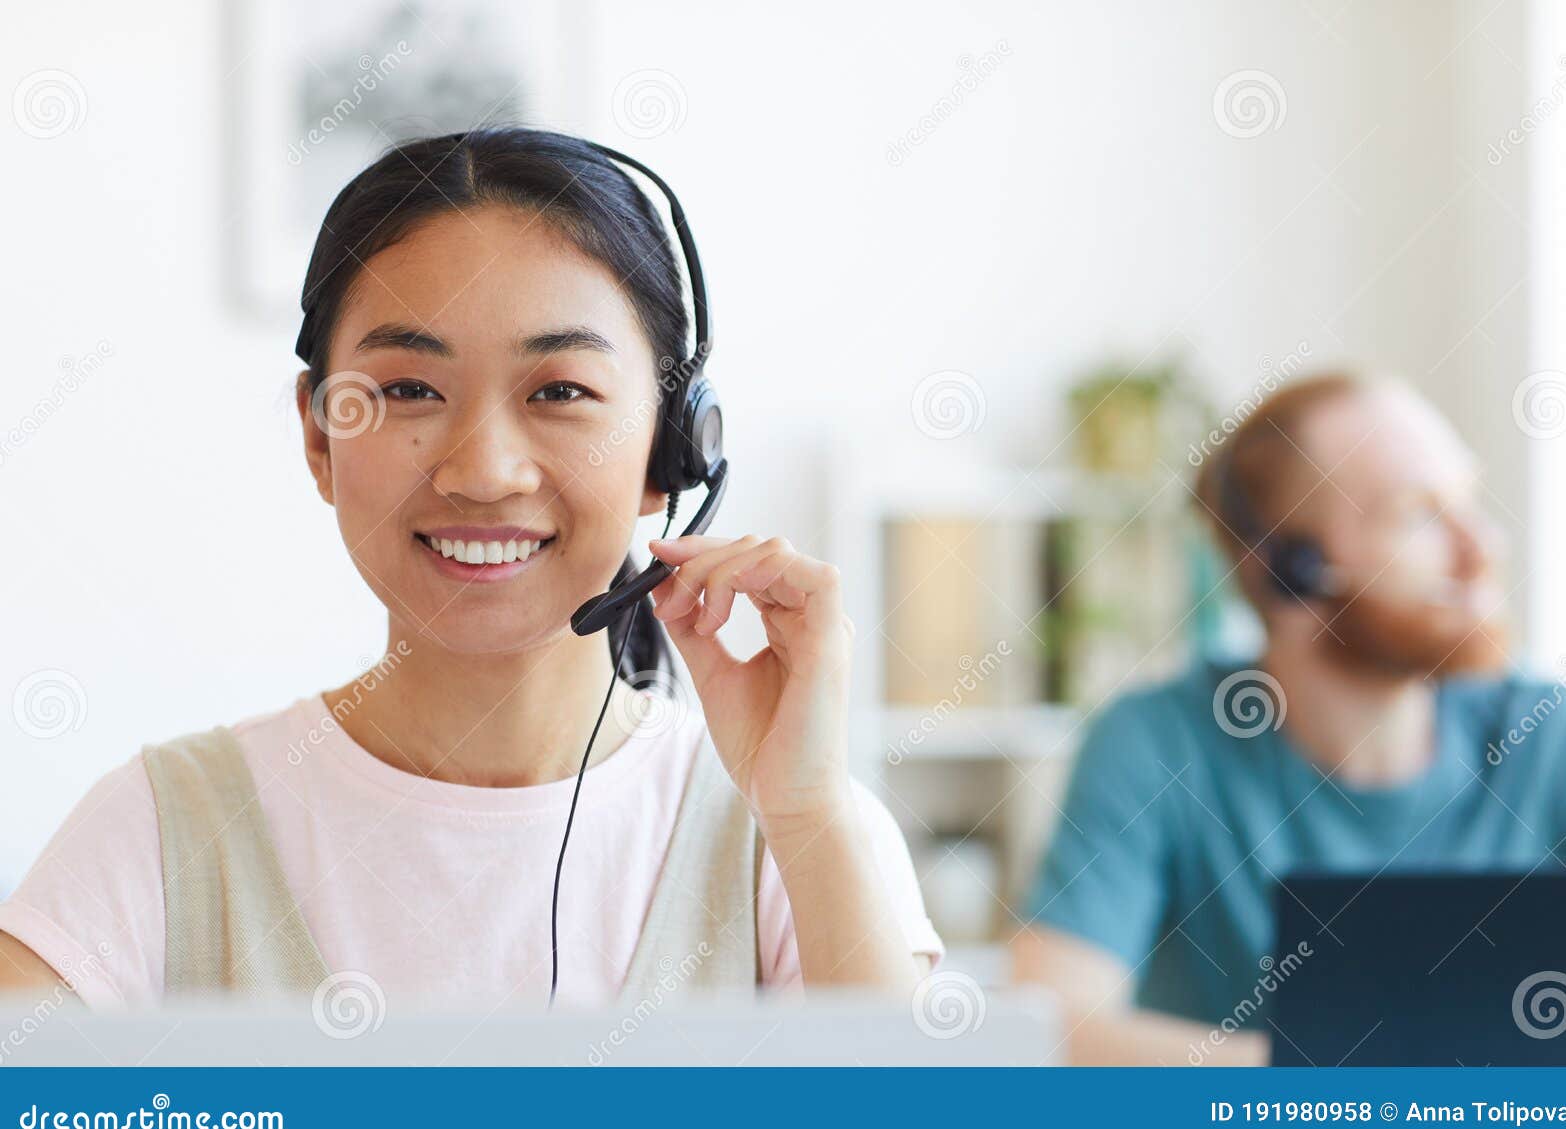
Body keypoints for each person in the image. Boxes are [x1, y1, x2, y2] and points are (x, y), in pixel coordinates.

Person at [0, 128, 941, 1010]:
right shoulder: (165, 830)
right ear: (319, 436)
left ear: (670, 454)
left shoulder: (786, 836)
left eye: (561, 391)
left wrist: (809, 814)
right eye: (409, 388)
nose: (484, 470)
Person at [1013, 371, 1566, 1065]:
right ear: (1290, 568)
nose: (1482, 550)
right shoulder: (1157, 743)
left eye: (1467, 501)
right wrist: (1348, 1093)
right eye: (1420, 514)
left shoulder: (1551, 735)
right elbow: (1048, 1030)